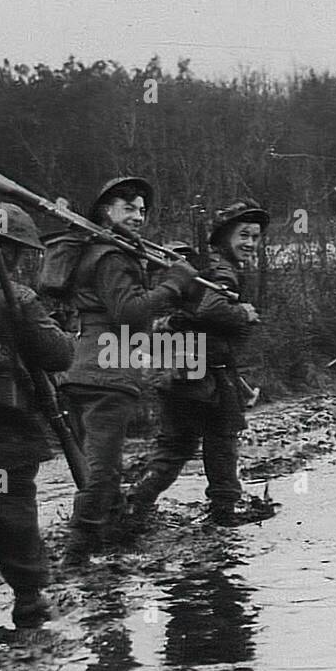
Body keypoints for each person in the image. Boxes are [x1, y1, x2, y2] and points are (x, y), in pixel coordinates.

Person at [50, 177, 203, 563]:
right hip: (107, 370)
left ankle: (111, 535)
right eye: (129, 208)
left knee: (100, 465)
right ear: (106, 212)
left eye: (142, 210)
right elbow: (130, 312)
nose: (139, 216)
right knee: (103, 471)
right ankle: (78, 553)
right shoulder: (113, 256)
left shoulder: (102, 250)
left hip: (87, 366)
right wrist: (174, 283)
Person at [0, 202, 74, 627]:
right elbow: (58, 355)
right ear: (15, 252)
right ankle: (28, 599)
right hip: (3, 428)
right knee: (11, 511)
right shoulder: (16, 297)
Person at [124, 199, 268, 527]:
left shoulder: (207, 269)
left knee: (175, 445)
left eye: (255, 237)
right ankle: (225, 509)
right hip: (210, 375)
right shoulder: (223, 272)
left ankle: (134, 503)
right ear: (222, 238)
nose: (249, 243)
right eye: (243, 235)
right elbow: (210, 310)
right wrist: (242, 314)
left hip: (180, 368)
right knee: (223, 440)